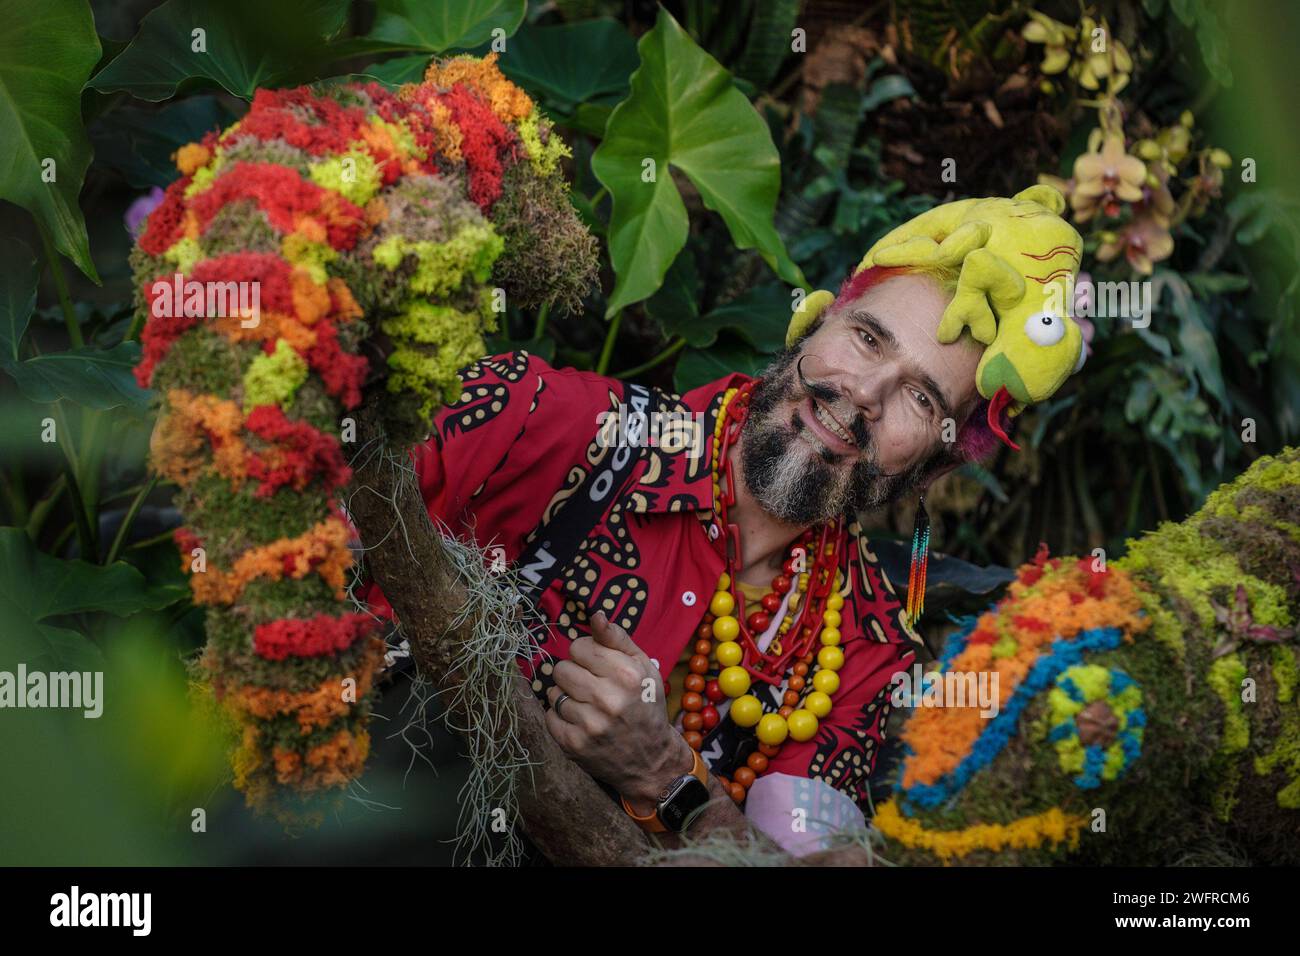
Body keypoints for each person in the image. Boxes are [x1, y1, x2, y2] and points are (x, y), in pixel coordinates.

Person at [369, 186, 1086, 854]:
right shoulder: (542, 423)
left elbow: (785, 866)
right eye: (868, 338)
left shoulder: (865, 652)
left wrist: (667, 778)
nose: (863, 393)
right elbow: (295, 522)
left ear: (937, 462)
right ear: (817, 321)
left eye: (922, 400)